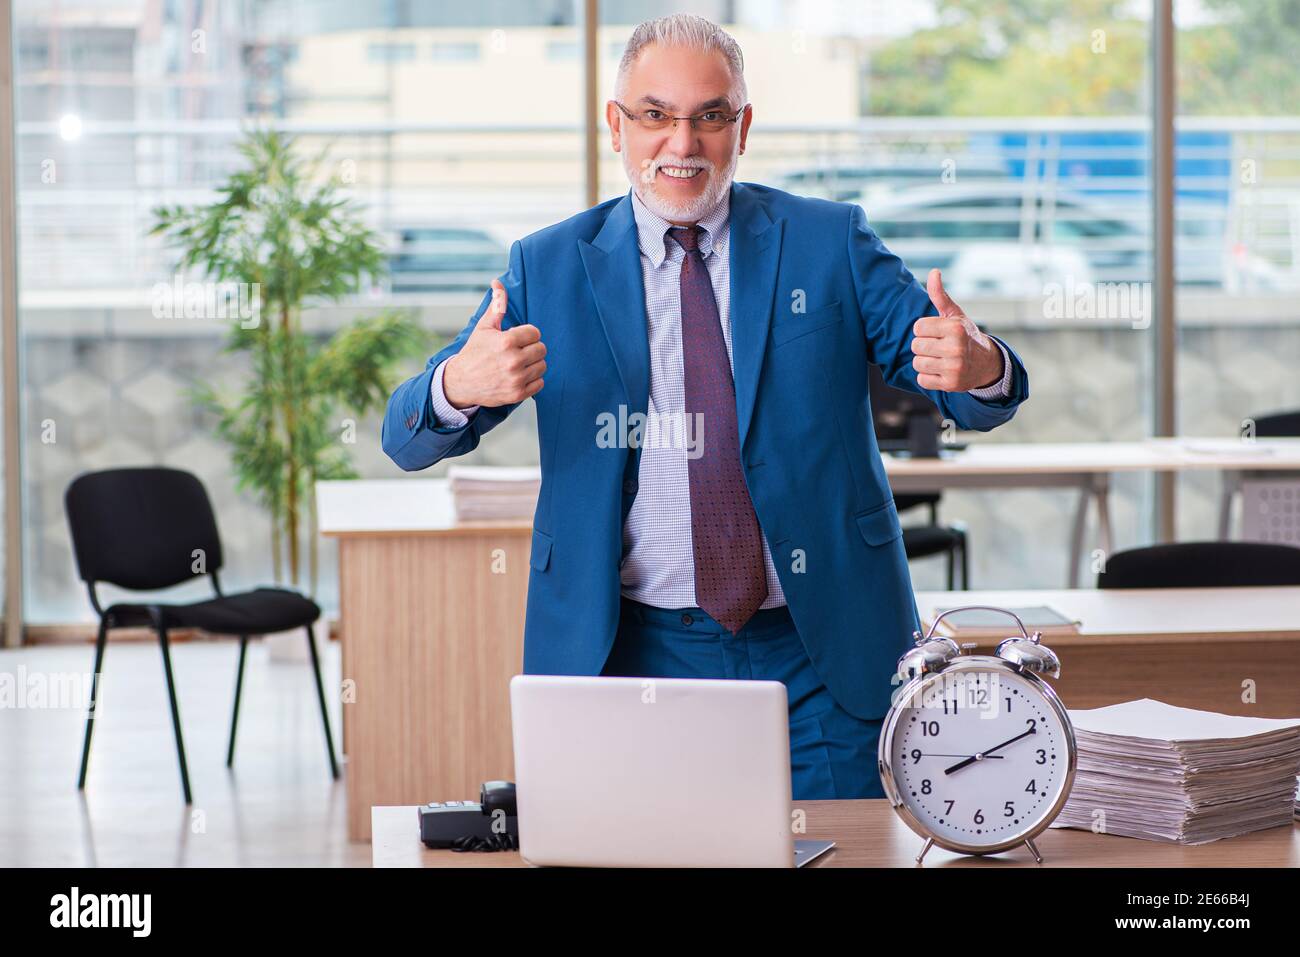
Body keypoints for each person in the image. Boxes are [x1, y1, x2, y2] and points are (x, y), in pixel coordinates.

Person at [382, 14, 1029, 799]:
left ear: (742, 127)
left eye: (709, 116)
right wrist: (457, 387)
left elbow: (974, 387)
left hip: (821, 651)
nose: (681, 144)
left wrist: (980, 361)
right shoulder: (548, 267)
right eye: (655, 115)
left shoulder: (828, 241)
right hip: (629, 653)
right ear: (615, 126)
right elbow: (404, 436)